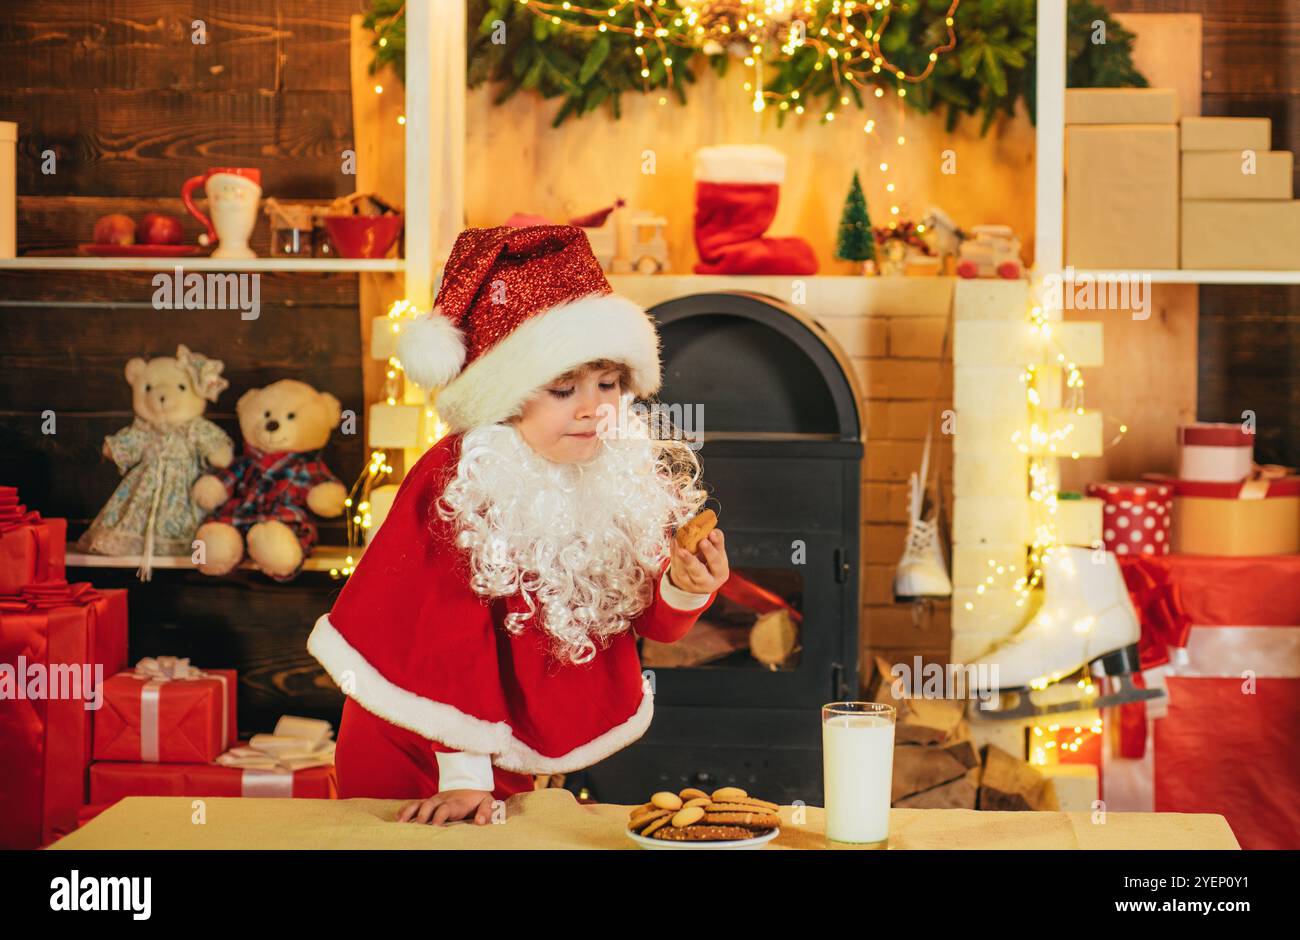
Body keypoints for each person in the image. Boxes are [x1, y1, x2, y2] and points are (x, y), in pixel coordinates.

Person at [306, 224, 729, 826]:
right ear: (503, 397)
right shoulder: (460, 481)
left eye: (608, 384)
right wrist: (463, 778)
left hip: (504, 745)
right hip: (416, 740)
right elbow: (444, 639)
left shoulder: (607, 469)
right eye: (563, 389)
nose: (593, 408)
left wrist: (685, 585)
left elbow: (646, 619)